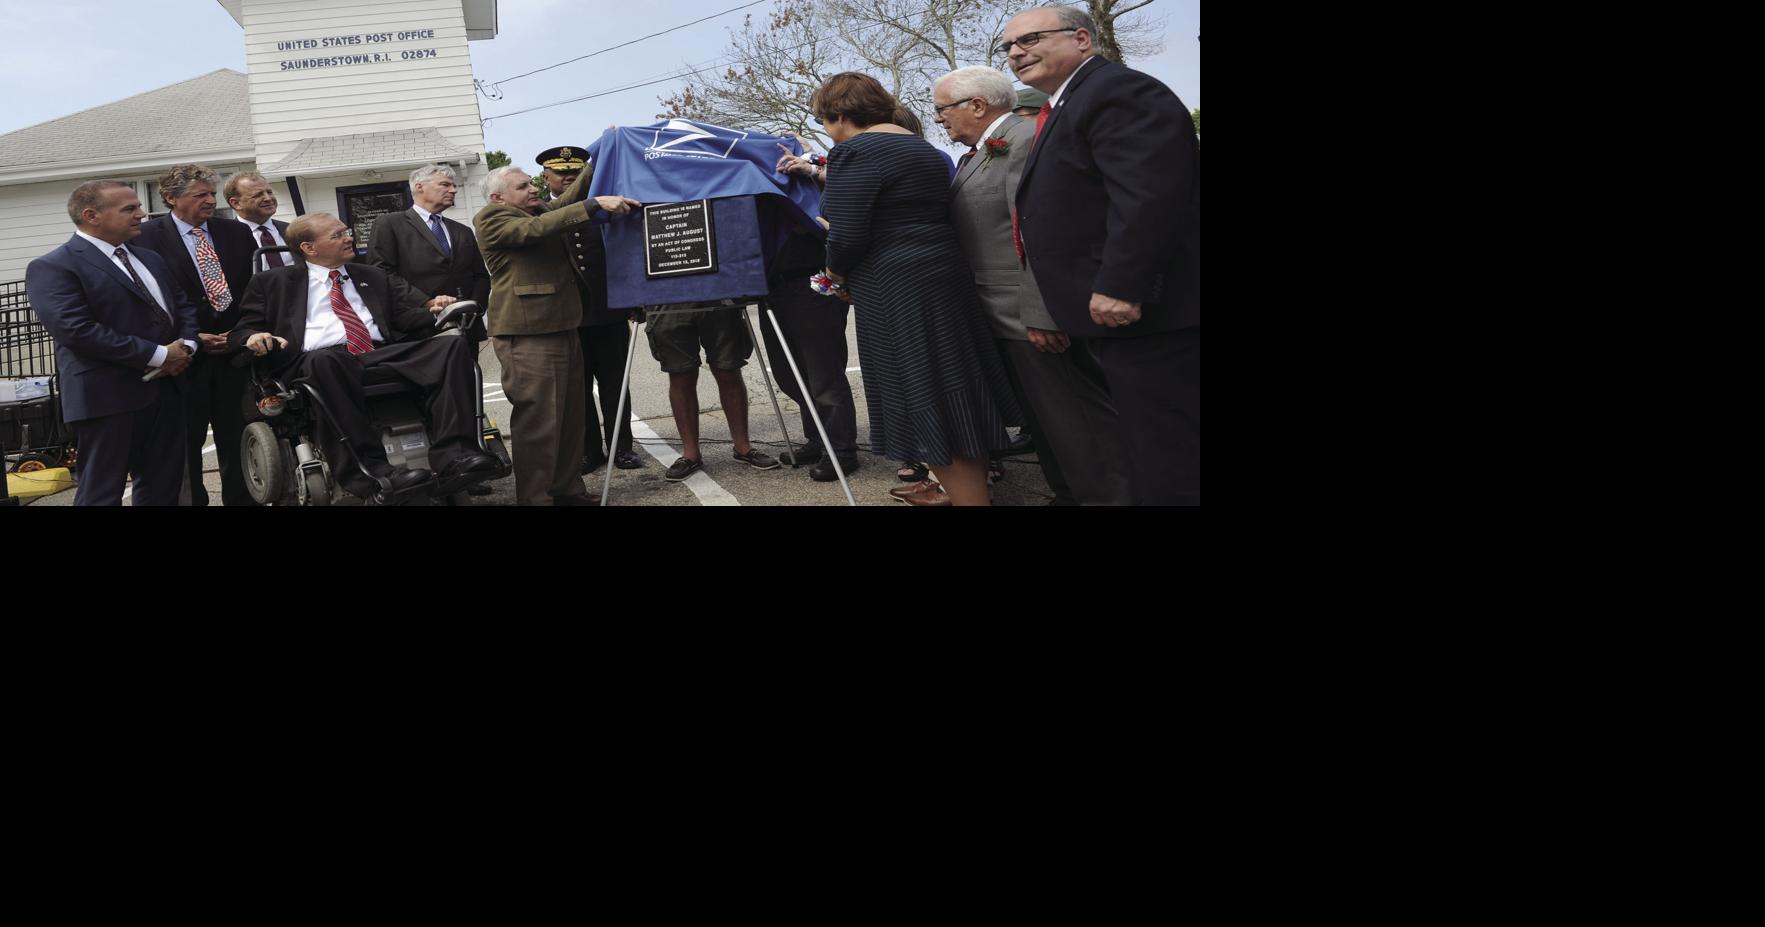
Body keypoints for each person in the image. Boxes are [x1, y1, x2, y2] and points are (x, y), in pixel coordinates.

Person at [1006, 4, 1200, 505]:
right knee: (1149, 445)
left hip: (1149, 316)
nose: (1015, 53)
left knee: (1171, 453)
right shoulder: (1068, 103)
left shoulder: (1118, 92)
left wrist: (1121, 283)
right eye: (1008, 47)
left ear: (1082, 39)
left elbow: (1149, 195)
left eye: (1029, 40)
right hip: (1110, 320)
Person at [813, 71, 1019, 506]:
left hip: (895, 285)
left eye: (825, 123)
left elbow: (847, 234)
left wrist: (834, 275)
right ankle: (971, 493)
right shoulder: (920, 147)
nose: (828, 133)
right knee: (958, 388)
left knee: (925, 391)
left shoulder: (855, 151)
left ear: (840, 114)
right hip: (943, 272)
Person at [934, 64, 1130, 506]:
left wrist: (1042, 313)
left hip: (1033, 315)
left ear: (977, 105)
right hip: (1005, 314)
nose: (940, 119)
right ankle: (1070, 492)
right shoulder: (984, 150)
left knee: (1077, 421)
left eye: (942, 110)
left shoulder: (1022, 144)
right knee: (1049, 423)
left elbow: (1041, 236)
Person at [228, 213, 498, 499]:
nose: (349, 238)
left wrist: (436, 310)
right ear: (309, 248)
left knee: (450, 346)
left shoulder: (370, 274)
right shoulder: (272, 282)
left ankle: (456, 458)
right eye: (337, 235)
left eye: (347, 232)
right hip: (319, 360)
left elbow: (403, 318)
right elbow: (242, 331)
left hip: (376, 352)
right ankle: (373, 473)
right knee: (325, 361)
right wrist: (253, 337)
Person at [473, 164, 640, 505]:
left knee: (568, 419)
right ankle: (537, 498)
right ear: (498, 197)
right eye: (522, 187)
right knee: (538, 424)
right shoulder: (491, 219)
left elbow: (566, 200)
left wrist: (596, 162)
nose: (533, 189)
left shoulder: (532, 210)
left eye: (532, 184)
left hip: (563, 325)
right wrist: (595, 205)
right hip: (527, 333)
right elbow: (537, 228)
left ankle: (567, 490)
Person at [26, 181, 197, 506]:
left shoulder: (149, 258)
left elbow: (182, 305)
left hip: (167, 393)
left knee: (163, 490)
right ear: (92, 215)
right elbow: (76, 330)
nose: (141, 214)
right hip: (106, 399)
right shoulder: (54, 267)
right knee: (101, 494)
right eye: (129, 208)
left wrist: (187, 347)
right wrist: (160, 355)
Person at [133, 163, 257, 505]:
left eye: (212, 194)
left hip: (235, 354)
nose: (210, 201)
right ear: (171, 198)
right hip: (184, 358)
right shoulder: (144, 239)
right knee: (185, 445)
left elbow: (252, 290)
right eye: (200, 195)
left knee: (238, 438)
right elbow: (145, 299)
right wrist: (191, 337)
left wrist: (242, 331)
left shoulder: (235, 232)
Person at [533, 145, 643, 473]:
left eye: (575, 173)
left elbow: (624, 256)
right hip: (567, 316)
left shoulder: (605, 211)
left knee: (614, 384)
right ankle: (587, 450)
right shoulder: (540, 213)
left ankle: (622, 448)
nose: (568, 178)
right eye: (561, 173)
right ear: (546, 176)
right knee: (577, 389)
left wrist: (634, 299)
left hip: (607, 311)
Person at [644, 305, 781, 482]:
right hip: (667, 299)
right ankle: (691, 453)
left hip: (718, 295)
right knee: (680, 374)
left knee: (728, 369)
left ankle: (743, 447)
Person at [366, 165, 491, 344]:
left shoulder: (462, 231)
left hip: (465, 326)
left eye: (454, 185)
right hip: (416, 327)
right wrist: (428, 302)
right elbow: (381, 271)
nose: (454, 190)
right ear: (420, 187)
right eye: (445, 184)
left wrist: (473, 307)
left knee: (470, 372)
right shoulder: (390, 224)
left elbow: (480, 275)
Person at [225, 171, 299, 266]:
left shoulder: (291, 231)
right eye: (258, 195)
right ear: (236, 203)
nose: (268, 198)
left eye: (269, 192)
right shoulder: (226, 239)